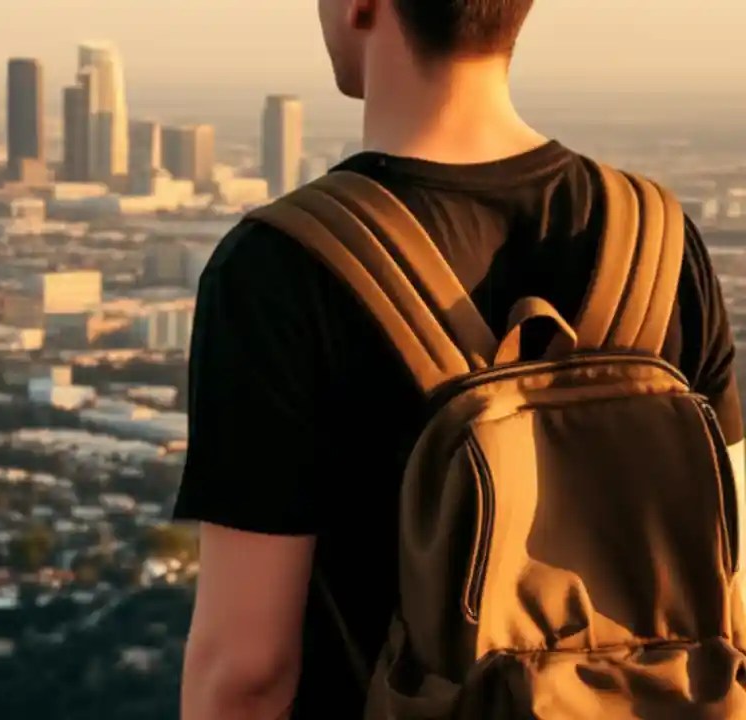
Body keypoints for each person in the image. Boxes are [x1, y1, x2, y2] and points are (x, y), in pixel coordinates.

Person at [174, 1, 745, 719]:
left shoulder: (281, 266)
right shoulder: (659, 240)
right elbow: (730, 567)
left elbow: (246, 670)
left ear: (360, 6)